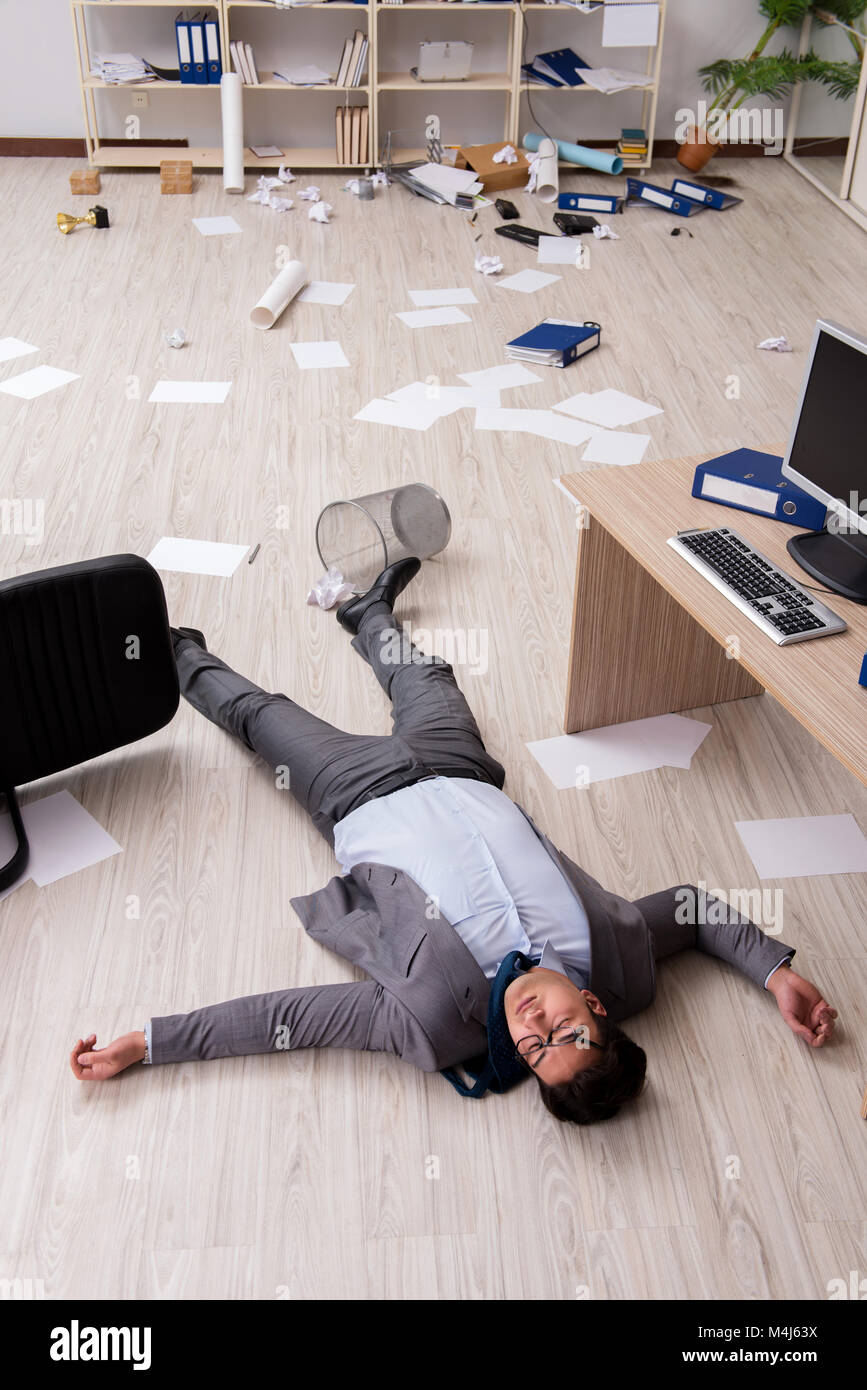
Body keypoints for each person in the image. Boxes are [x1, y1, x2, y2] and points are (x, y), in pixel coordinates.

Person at [70, 559, 837, 1123]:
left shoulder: (435, 1023)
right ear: (595, 1005)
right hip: (459, 768)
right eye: (563, 1030)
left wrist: (148, 1043)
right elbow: (694, 912)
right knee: (424, 677)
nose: (531, 1026)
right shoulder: (623, 958)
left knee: (255, 714)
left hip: (355, 794)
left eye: (534, 1051)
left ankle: (166, 645)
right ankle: (365, 610)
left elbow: (295, 1019)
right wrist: (774, 974)